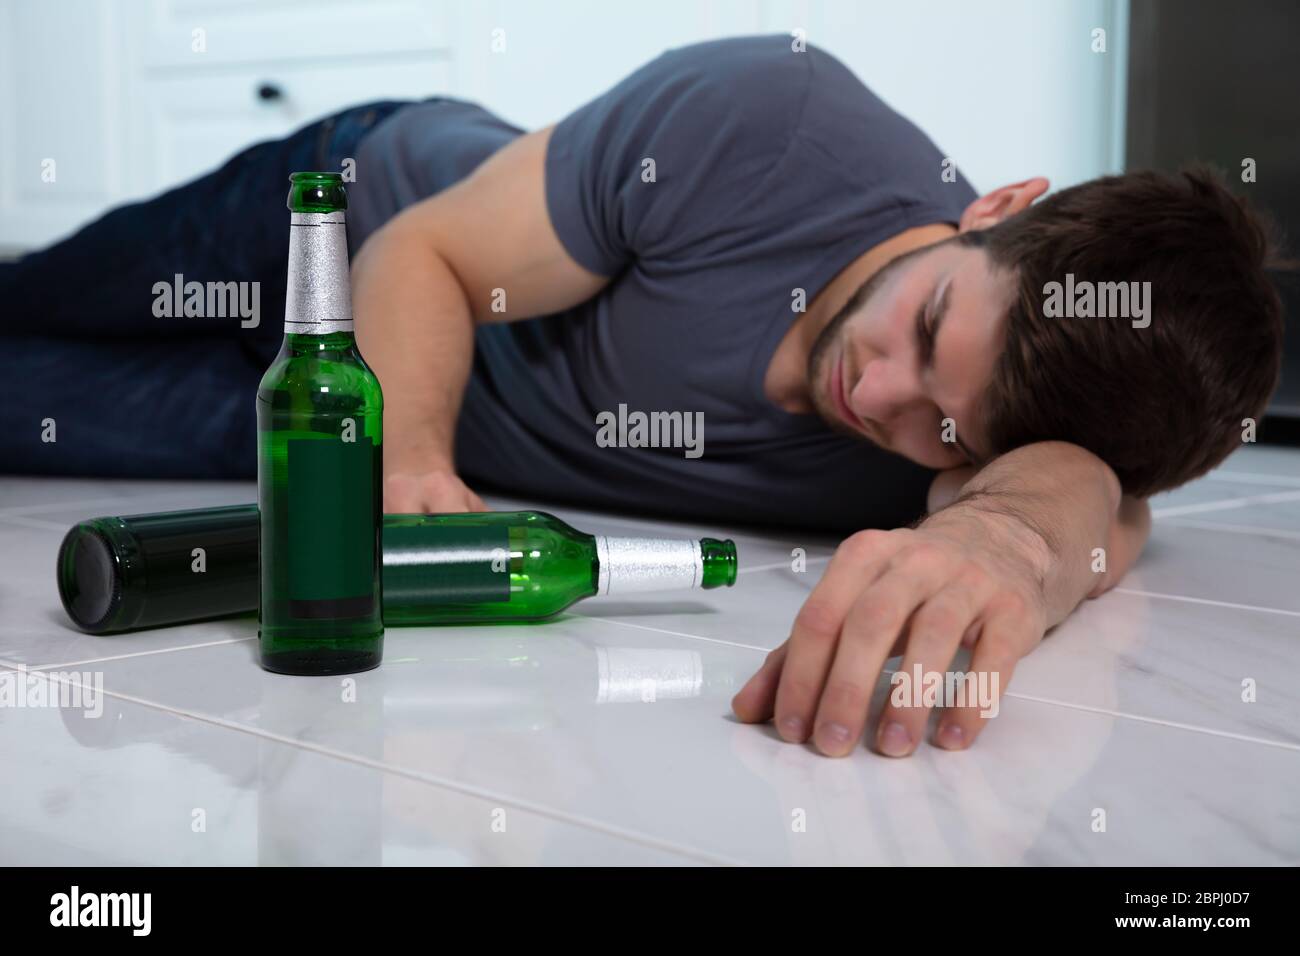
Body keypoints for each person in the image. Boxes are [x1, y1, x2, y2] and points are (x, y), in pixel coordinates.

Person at [3, 36, 1283, 758]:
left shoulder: (1003, 443)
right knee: (37, 294)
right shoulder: (769, 119)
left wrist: (1007, 536)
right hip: (354, 215)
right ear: (996, 208)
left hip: (342, 417)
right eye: (926, 322)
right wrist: (406, 472)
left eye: (937, 425)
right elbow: (426, 260)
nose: (873, 393)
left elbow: (1094, 511)